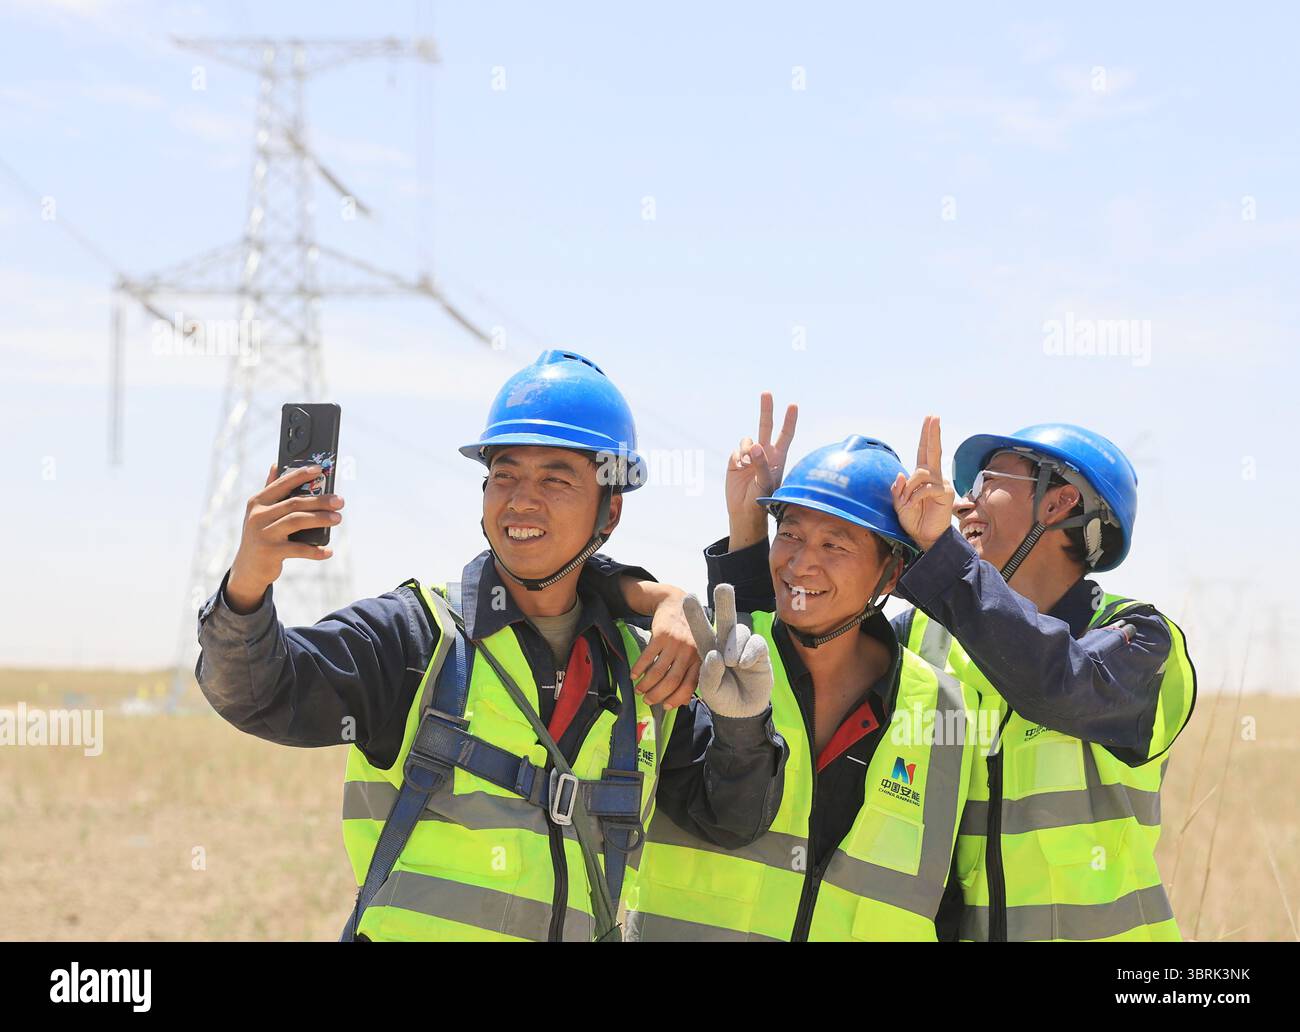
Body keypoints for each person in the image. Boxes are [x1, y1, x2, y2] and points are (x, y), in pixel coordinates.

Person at [194, 350, 784, 942]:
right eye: (504, 475)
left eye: (555, 478)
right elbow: (256, 693)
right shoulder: (417, 638)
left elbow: (730, 819)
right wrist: (248, 583)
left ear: (611, 510)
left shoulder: (648, 672)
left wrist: (740, 726)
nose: (521, 500)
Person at [691, 399, 1197, 941]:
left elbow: (1056, 683)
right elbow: (786, 661)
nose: (962, 502)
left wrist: (940, 552)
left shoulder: (1142, 642)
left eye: (985, 480)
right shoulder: (927, 639)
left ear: (1059, 501)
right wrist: (749, 533)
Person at [620, 431, 980, 941]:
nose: (801, 563)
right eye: (790, 534)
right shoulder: (709, 660)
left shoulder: (944, 711)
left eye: (835, 543)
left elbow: (948, 905)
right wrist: (649, 595)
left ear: (891, 572)